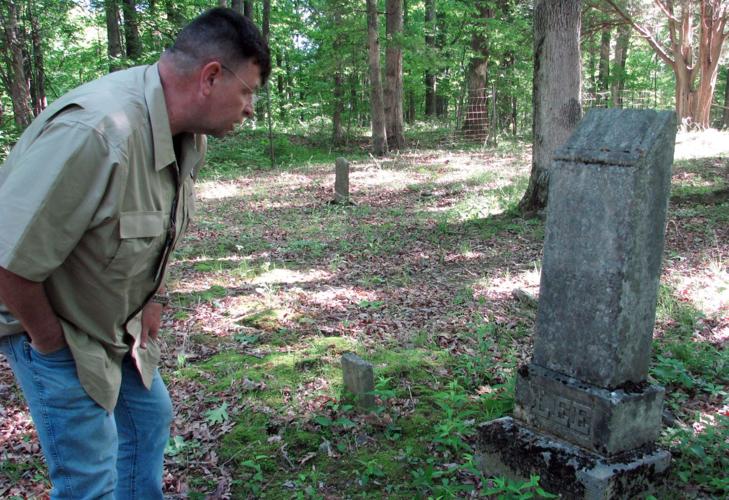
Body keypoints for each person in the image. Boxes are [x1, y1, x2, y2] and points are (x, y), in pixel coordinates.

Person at [0, 7, 270, 499]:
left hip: (115, 323)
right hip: (50, 326)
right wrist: (50, 344)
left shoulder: (185, 136)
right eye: (248, 91)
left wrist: (154, 298)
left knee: (148, 419)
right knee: (91, 479)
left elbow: (160, 227)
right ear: (211, 76)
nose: (250, 108)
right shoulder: (97, 133)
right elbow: (7, 261)